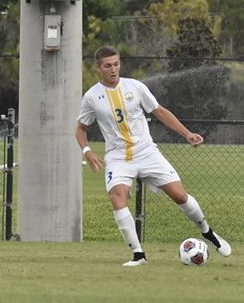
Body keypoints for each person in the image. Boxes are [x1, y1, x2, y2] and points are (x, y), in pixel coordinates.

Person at [76, 46, 231, 266]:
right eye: (108, 65)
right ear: (98, 67)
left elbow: (159, 111)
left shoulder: (135, 87)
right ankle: (138, 255)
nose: (113, 69)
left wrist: (187, 134)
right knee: (116, 197)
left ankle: (209, 234)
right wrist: (87, 150)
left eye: (116, 64)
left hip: (147, 152)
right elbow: (80, 128)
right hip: (118, 157)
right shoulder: (91, 97)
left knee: (180, 196)